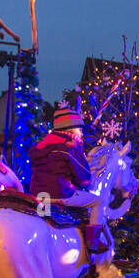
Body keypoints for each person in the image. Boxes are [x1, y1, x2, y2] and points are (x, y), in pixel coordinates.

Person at [27, 105, 108, 253]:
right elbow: (84, 179)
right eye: (79, 129)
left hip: (39, 196)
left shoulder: (40, 147)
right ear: (71, 129)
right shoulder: (70, 147)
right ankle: (93, 240)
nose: (81, 132)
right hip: (61, 194)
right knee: (99, 201)